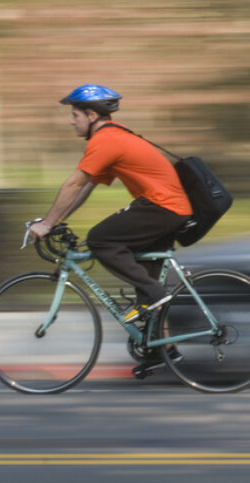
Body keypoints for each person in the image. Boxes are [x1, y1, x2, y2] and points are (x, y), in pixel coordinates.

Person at [28, 84, 193, 331]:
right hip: (168, 209)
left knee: (100, 240)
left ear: (91, 115)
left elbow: (74, 183)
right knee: (145, 282)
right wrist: (58, 219)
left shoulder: (106, 140)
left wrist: (47, 224)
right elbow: (86, 188)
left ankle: (156, 294)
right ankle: (162, 351)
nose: (72, 122)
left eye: (75, 115)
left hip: (162, 207)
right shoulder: (114, 137)